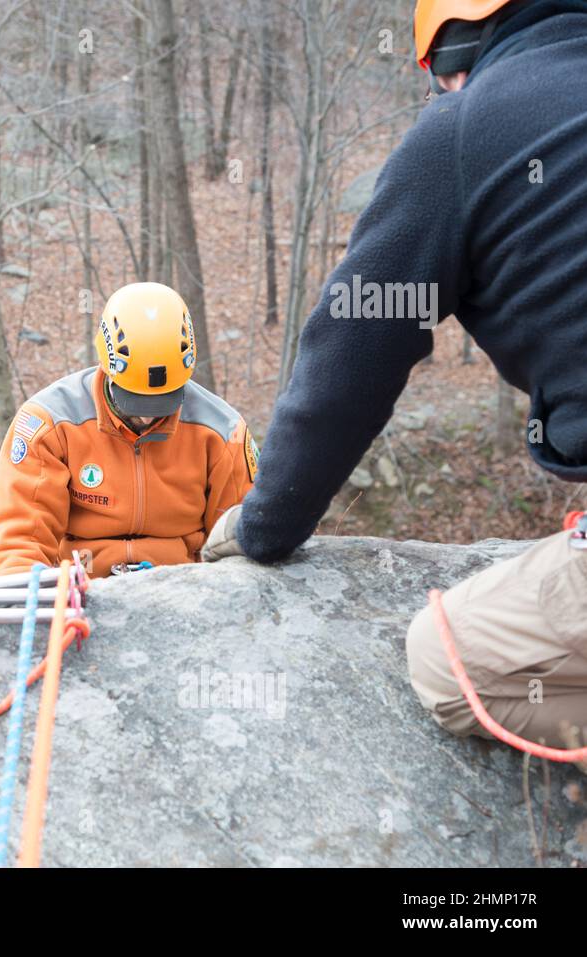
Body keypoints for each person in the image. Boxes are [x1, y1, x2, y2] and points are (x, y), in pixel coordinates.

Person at [202, 0, 587, 745]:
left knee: (447, 658)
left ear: (456, 53)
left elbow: (351, 355)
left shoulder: (462, 130)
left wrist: (263, 524)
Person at [0, 282, 257, 577]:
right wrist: (36, 599)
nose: (146, 419)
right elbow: (22, 540)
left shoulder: (222, 433)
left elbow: (238, 538)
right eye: (135, 402)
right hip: (81, 584)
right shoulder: (49, 424)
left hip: (184, 586)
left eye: (162, 402)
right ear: (106, 367)